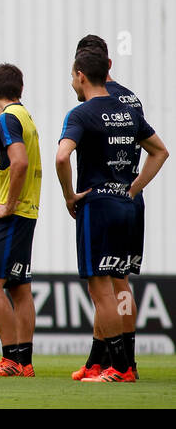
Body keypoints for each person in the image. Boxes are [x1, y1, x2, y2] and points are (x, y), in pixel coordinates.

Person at [54, 47, 167, 382]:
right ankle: (126, 364)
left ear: (80, 75)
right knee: (120, 287)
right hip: (127, 206)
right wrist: (133, 188)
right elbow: (160, 151)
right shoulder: (128, 109)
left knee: (100, 288)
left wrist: (69, 195)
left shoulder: (81, 114)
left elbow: (62, 157)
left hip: (98, 206)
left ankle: (117, 366)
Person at [75, 34, 149, 378]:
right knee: (114, 281)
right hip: (129, 198)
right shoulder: (130, 97)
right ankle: (100, 360)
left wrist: (129, 188)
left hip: (111, 198)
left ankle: (123, 363)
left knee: (112, 283)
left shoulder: (102, 102)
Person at [0, 64, 41, 377]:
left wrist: (8, 205)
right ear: (20, 88)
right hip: (27, 212)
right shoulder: (26, 117)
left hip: (12, 214)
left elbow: (20, 163)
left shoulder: (7, 118)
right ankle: (24, 361)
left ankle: (10, 359)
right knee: (19, 287)